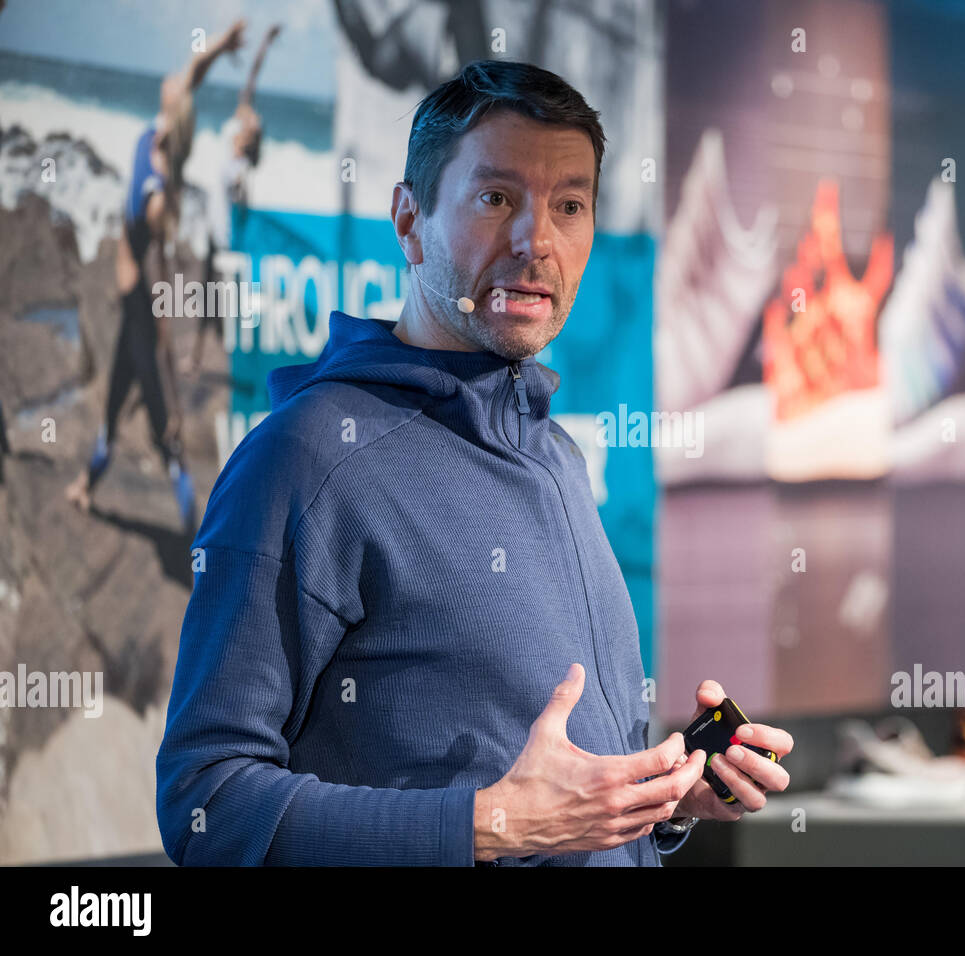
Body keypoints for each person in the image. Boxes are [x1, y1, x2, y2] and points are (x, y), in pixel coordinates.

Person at [155, 59, 794, 866]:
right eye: (496, 200)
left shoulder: (555, 455)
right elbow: (204, 803)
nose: (536, 242)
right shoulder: (304, 459)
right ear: (409, 220)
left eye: (570, 205)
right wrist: (494, 823)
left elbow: (553, 800)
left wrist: (658, 800)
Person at [64, 18, 248, 537]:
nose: (170, 83)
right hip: (130, 306)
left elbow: (163, 306)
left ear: (174, 120)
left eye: (173, 93)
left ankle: (198, 531)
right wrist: (224, 45)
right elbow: (192, 72)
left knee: (162, 432)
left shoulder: (159, 199)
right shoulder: (156, 132)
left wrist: (168, 386)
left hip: (143, 312)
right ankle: (84, 483)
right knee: (114, 402)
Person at [181, 22, 281, 377]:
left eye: (249, 123)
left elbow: (243, 209)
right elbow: (249, 84)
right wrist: (265, 43)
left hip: (226, 242)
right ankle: (198, 357)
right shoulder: (235, 143)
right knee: (207, 301)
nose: (245, 118)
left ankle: (243, 361)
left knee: (225, 304)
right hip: (212, 234)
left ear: (250, 139)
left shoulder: (240, 170)